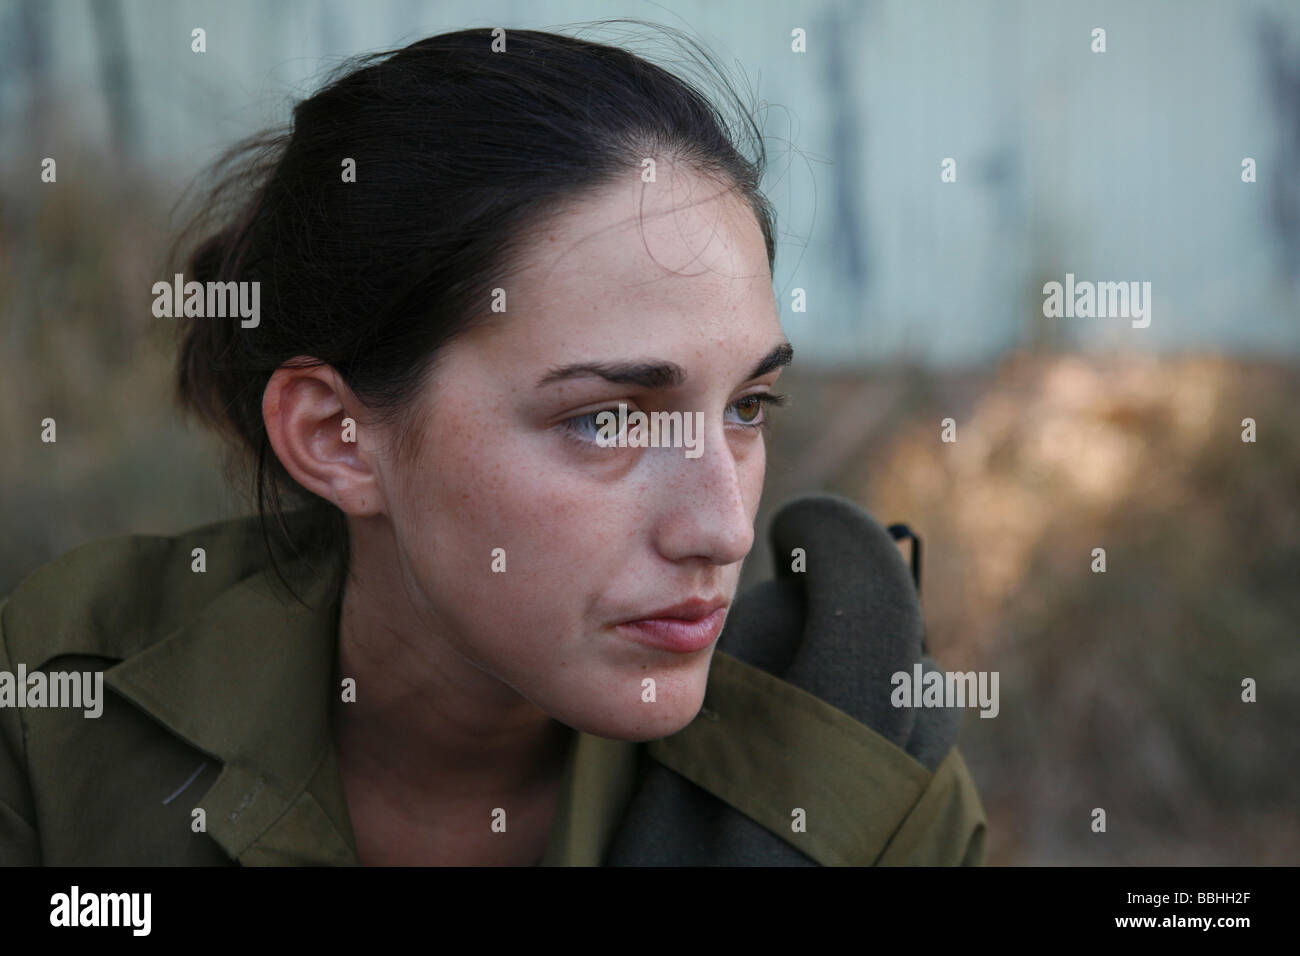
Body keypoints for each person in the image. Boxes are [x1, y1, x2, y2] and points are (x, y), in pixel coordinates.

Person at [0, 24, 986, 866]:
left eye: (747, 405)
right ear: (336, 437)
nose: (723, 529)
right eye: (607, 419)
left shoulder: (848, 763)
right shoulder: (55, 718)